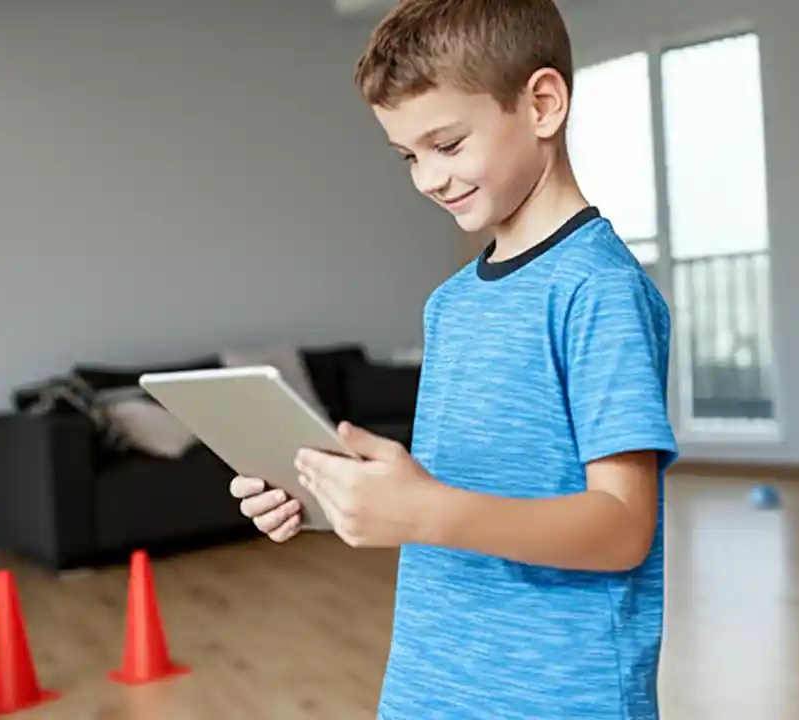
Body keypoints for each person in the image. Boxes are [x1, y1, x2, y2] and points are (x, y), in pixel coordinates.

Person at [229, 0, 679, 717]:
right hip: (431, 678)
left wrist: (426, 511)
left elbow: (623, 529)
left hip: (558, 690)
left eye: (447, 144)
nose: (427, 179)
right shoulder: (450, 304)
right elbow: (471, 483)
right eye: (409, 155)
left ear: (542, 103)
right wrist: (331, 494)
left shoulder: (599, 290)